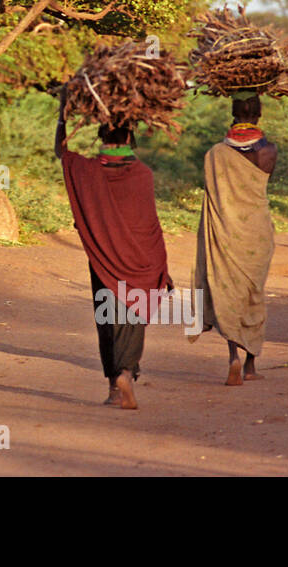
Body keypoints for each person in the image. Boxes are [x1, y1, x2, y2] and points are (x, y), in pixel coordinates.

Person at [55, 93, 173, 410]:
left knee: (106, 317)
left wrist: (62, 114)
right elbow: (150, 225)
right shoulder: (142, 175)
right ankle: (125, 374)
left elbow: (62, 154)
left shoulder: (89, 172)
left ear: (100, 136)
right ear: (130, 136)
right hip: (141, 262)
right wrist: (163, 267)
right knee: (133, 317)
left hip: (103, 258)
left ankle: (113, 386)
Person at [191, 91, 278, 386]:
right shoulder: (270, 152)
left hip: (225, 231)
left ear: (233, 112)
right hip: (257, 233)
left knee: (227, 290)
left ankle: (233, 358)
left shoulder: (215, 154)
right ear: (259, 113)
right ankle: (251, 363)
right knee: (253, 292)